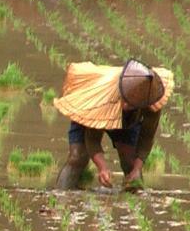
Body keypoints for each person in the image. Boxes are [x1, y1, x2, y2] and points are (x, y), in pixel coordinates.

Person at [52, 59, 172, 191]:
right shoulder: (103, 99)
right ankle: (60, 195)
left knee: (131, 163)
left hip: (129, 119)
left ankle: (135, 199)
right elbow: (92, 139)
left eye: (130, 103)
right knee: (77, 157)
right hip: (93, 107)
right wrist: (102, 168)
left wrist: (137, 168)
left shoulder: (152, 100)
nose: (125, 105)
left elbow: (147, 137)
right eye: (125, 100)